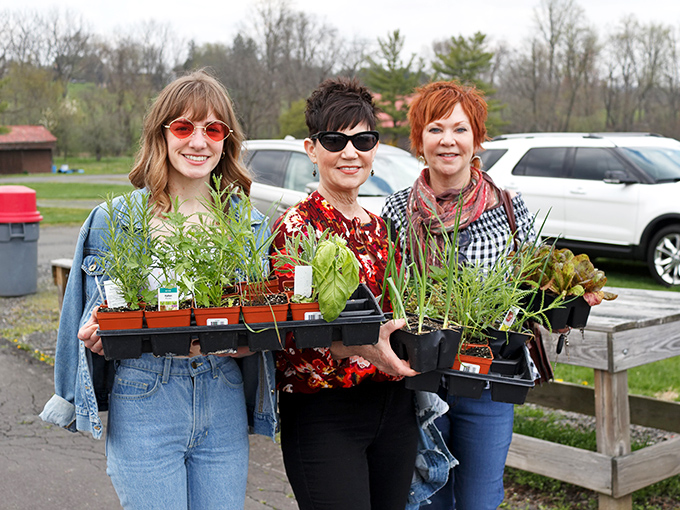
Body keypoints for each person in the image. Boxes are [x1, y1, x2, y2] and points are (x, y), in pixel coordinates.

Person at [39, 70, 277, 510]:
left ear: (227, 140)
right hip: (145, 395)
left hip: (221, 392)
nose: (198, 141)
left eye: (213, 129)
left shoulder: (249, 224)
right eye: (184, 127)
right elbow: (81, 314)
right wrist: (95, 338)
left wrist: (250, 340)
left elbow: (261, 314)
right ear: (161, 135)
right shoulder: (114, 220)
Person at [272, 77, 429, 510]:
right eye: (335, 139)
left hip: (393, 409)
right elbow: (291, 339)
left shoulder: (380, 228)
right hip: (326, 411)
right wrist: (362, 347)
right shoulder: (297, 229)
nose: (350, 152)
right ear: (312, 148)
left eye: (362, 139)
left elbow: (398, 317)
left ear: (375, 148)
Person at [381, 80, 536, 510]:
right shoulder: (396, 210)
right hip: (420, 378)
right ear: (419, 141)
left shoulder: (507, 206)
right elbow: (386, 291)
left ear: (476, 139)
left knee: (480, 497)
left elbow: (533, 283)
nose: (447, 140)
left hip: (488, 379)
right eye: (435, 129)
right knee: (428, 495)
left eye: (460, 129)